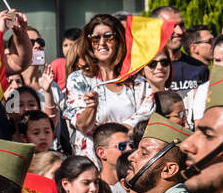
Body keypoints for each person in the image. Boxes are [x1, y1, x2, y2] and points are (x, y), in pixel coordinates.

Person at [62, 14, 154, 159]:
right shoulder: (79, 79)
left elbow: (144, 119)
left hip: (130, 160)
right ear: (89, 42)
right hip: (91, 165)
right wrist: (91, 108)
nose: (102, 43)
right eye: (95, 38)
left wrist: (108, 135)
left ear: (119, 40)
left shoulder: (138, 81)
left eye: (108, 37)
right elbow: (83, 125)